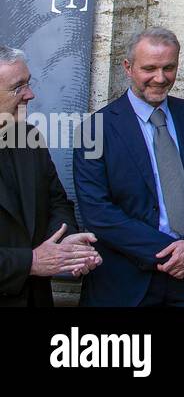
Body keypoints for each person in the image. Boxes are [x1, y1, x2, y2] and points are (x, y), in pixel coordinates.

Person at [74, 28, 184, 306]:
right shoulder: (94, 130)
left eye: (169, 67)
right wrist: (170, 253)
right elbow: (98, 211)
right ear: (128, 68)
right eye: (150, 68)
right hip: (126, 284)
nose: (160, 78)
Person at [0, 46, 100, 306]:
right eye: (17, 87)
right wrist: (30, 262)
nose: (30, 94)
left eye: (28, 83)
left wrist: (67, 245)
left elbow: (57, 202)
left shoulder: (28, 136)